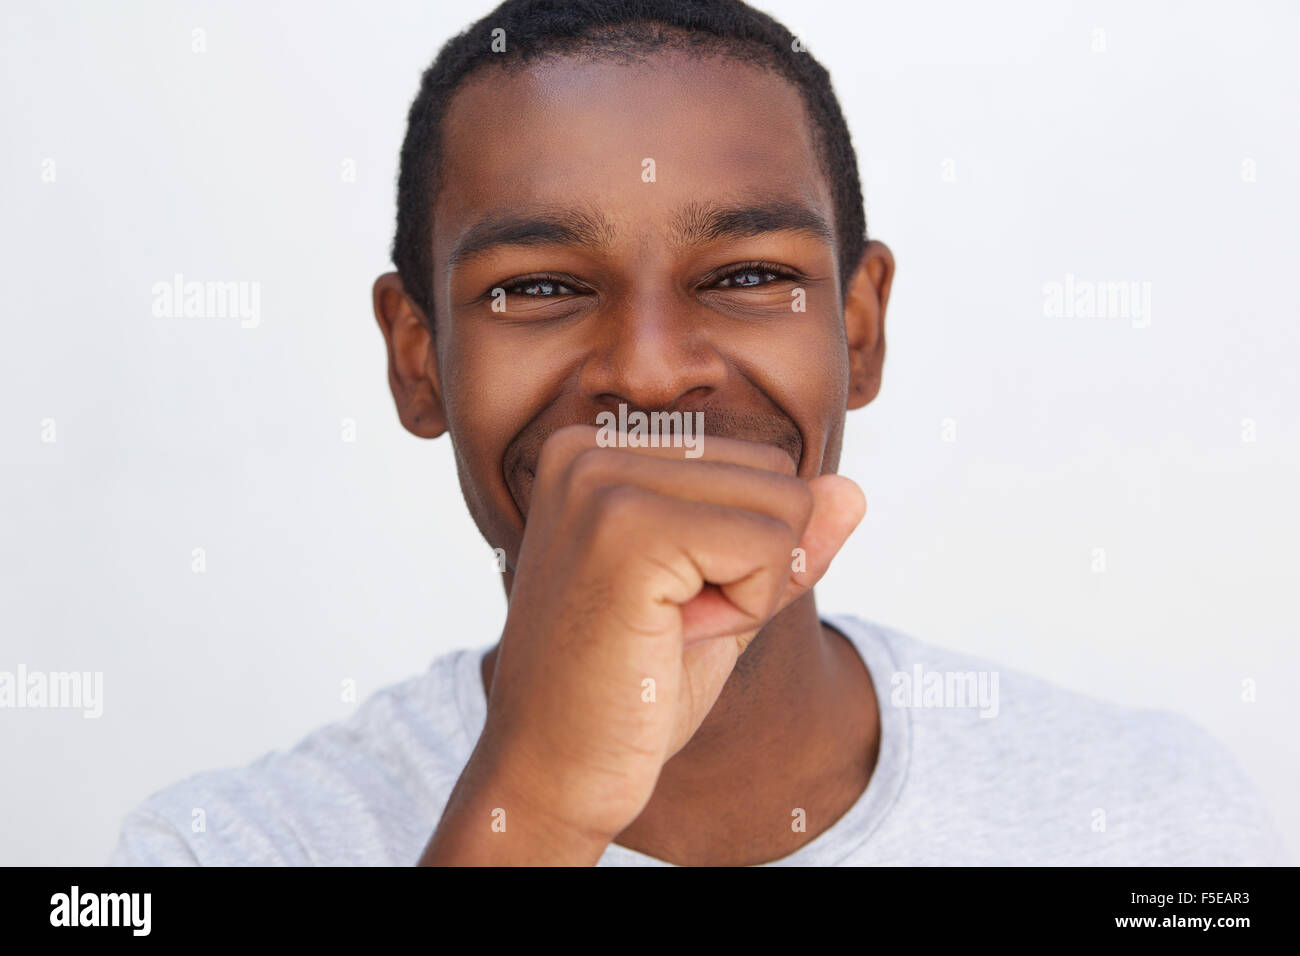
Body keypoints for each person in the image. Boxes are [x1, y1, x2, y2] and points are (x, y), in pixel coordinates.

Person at [108, 0, 1286, 866]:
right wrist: (543, 801)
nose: (652, 368)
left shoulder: (1152, 817)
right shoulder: (224, 848)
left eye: (749, 272)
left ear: (859, 331)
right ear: (416, 357)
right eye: (535, 288)